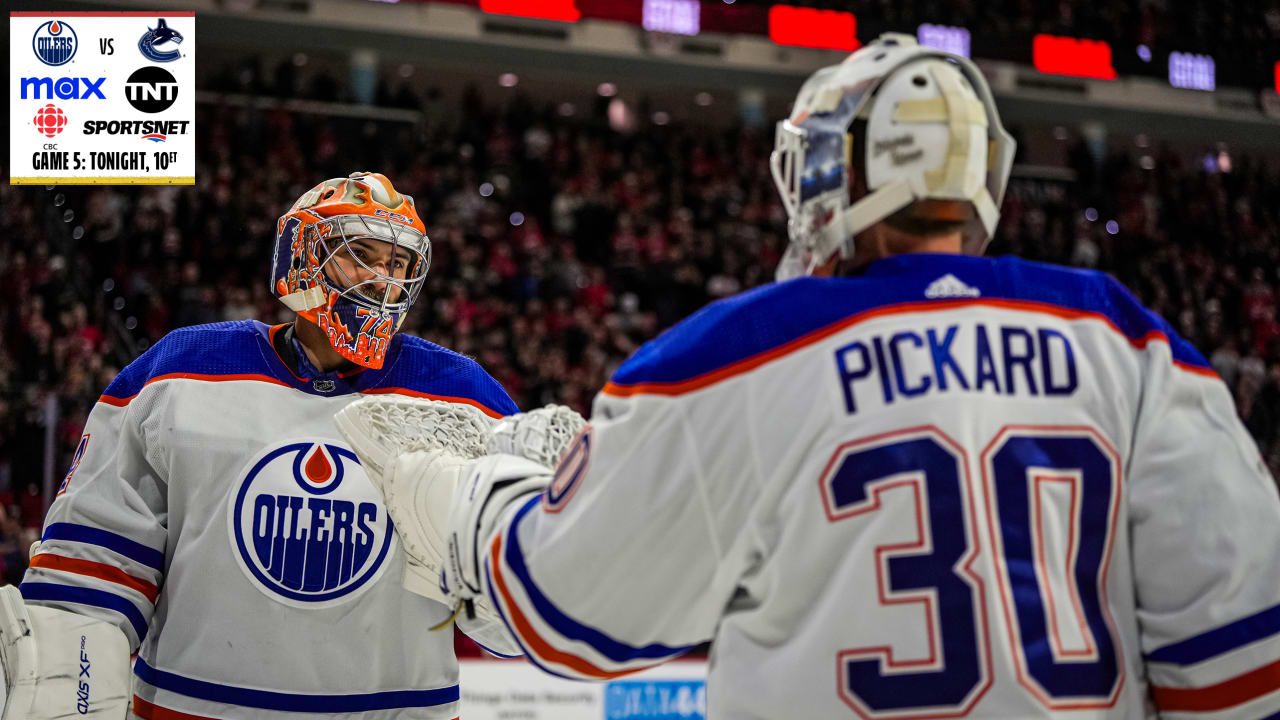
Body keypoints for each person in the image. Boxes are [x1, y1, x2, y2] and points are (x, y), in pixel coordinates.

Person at [355, 36, 1280, 718]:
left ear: (833, 172)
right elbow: (1242, 667)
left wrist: (461, 494)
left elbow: (568, 608)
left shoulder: (742, 351)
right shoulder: (1129, 339)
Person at [2, 172, 521, 720]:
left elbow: (514, 617)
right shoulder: (180, 374)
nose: (380, 281)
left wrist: (499, 570)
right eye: (359, 255)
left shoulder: (468, 402)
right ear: (301, 255)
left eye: (397, 264)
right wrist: (71, 681)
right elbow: (91, 571)